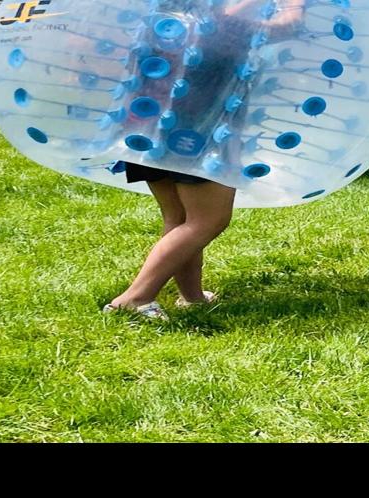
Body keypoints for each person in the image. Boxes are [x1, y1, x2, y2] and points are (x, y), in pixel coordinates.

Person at [103, 0, 308, 319]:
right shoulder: (220, 21)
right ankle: (135, 298)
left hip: (151, 117)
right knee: (207, 220)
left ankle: (192, 296)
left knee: (179, 217)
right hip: (198, 126)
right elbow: (286, 25)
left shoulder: (168, 13)